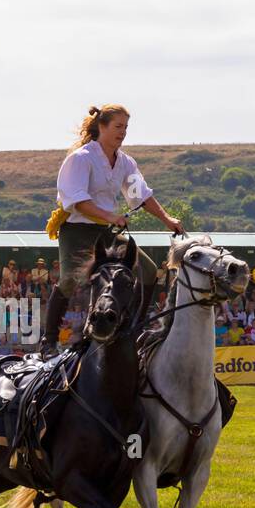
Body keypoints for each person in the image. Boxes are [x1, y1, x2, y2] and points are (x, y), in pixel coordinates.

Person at [41, 104, 181, 355]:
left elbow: (142, 197)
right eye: (118, 126)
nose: (123, 132)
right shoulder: (81, 158)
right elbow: (78, 201)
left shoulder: (125, 162)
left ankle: (135, 327)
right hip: (78, 230)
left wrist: (167, 219)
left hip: (106, 231)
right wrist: (110, 216)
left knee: (148, 270)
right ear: (101, 127)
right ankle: (48, 342)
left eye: (126, 127)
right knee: (70, 280)